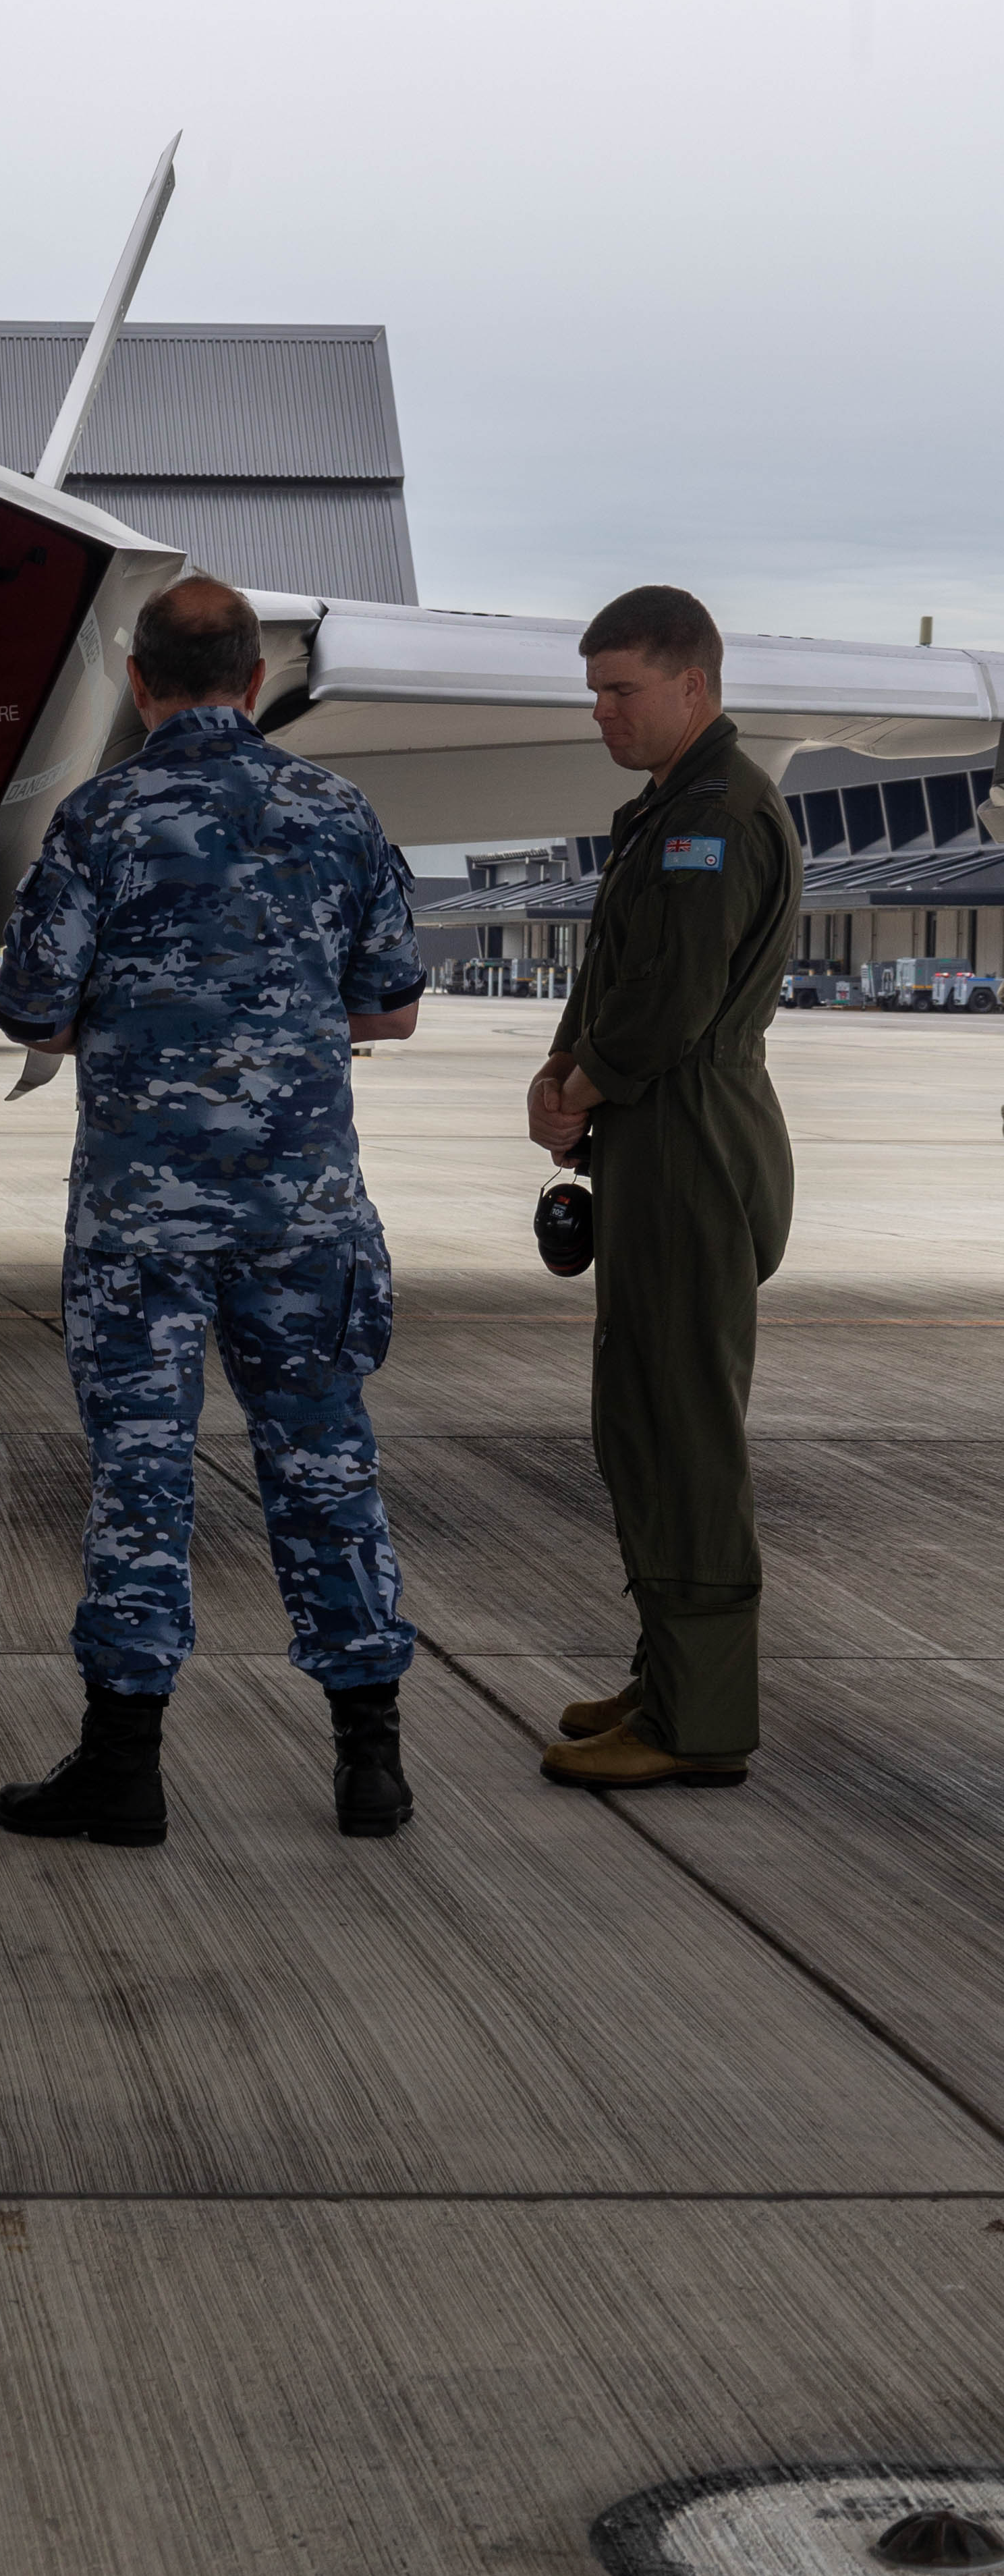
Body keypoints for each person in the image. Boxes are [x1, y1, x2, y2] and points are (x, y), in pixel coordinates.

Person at [0, 573, 425, 1847]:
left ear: (139, 681)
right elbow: (392, 999)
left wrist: (145, 1018)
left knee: (140, 1478)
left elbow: (29, 1008)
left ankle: (122, 1767)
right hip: (304, 1212)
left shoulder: (99, 819)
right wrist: (274, 1016)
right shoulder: (336, 812)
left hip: (142, 1224)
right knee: (325, 1463)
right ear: (252, 679)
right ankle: (370, 1765)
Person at [527, 586, 801, 1789]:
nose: (602, 713)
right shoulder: (668, 811)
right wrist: (564, 1070)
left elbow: (671, 1002)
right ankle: (669, 1676)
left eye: (620, 689)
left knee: (682, 1432)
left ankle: (699, 1723)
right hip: (652, 1136)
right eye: (593, 692)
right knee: (639, 1419)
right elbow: (621, 977)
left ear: (693, 683)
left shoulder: (713, 819)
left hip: (688, 1140)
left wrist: (580, 1082)